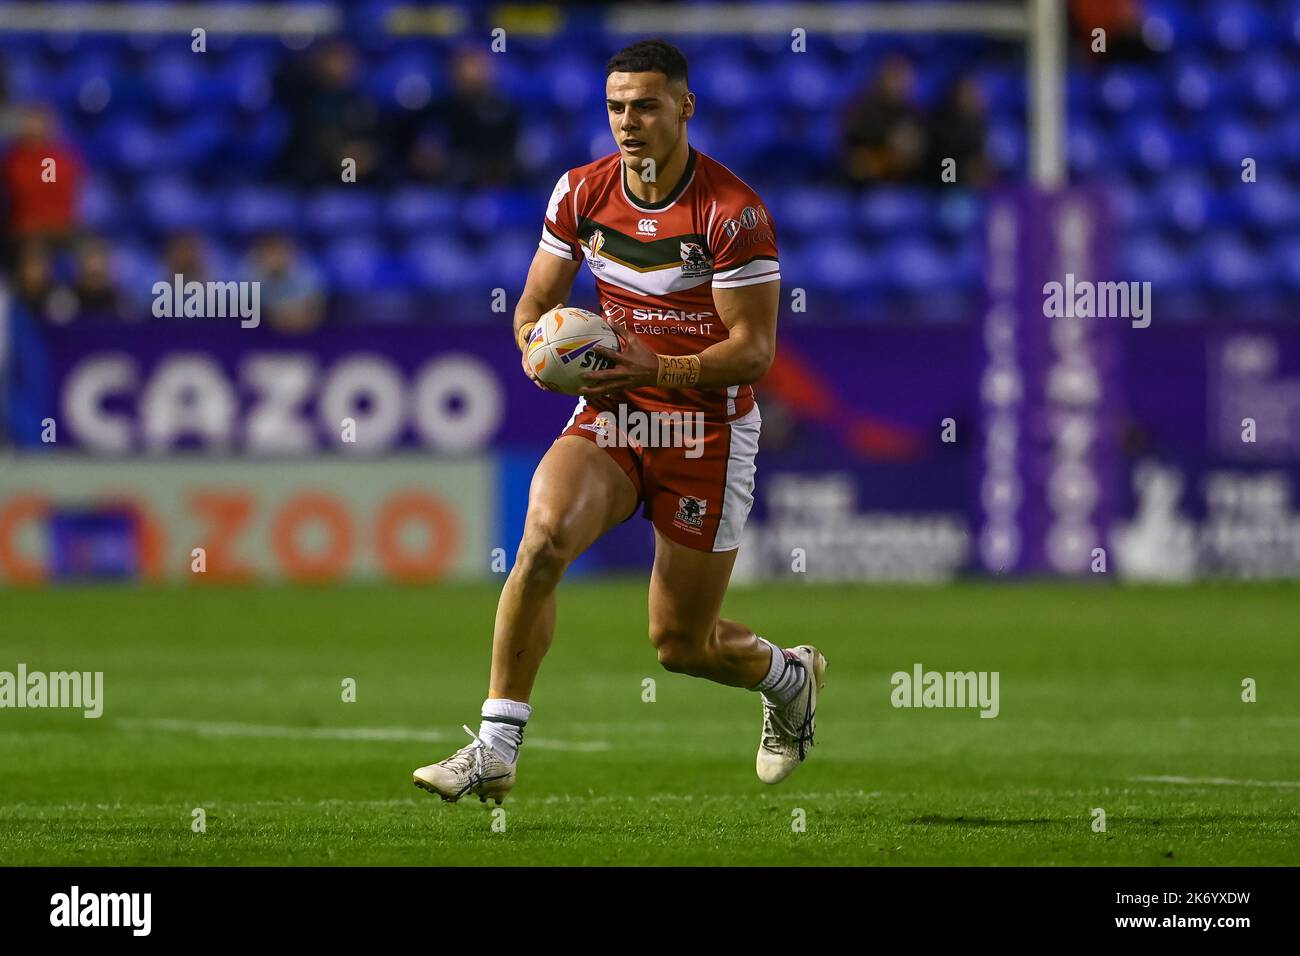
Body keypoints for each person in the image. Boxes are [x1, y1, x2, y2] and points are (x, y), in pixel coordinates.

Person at [412, 39, 826, 805]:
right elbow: (533, 306)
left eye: (645, 105)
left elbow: (753, 353)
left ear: (684, 107)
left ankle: (788, 677)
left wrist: (657, 368)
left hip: (707, 431)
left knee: (679, 645)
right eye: (616, 107)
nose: (628, 122)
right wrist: (538, 353)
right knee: (541, 539)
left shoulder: (732, 215)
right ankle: (495, 747)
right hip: (614, 415)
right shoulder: (578, 193)